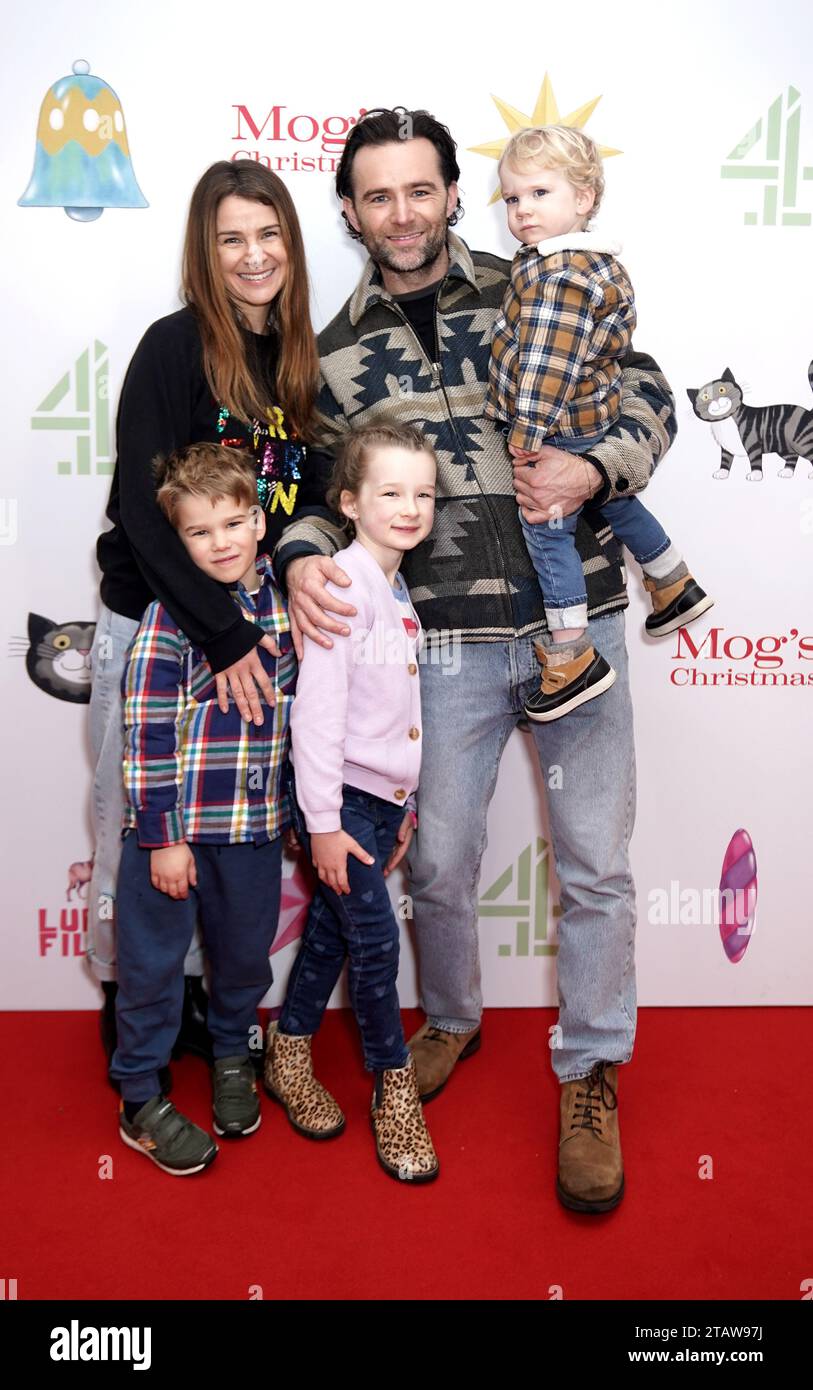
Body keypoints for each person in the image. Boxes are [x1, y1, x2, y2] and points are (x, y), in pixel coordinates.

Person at [273, 107, 680, 1214]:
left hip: (577, 621)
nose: (402, 213)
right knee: (438, 862)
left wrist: (598, 467)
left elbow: (649, 393)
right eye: (377, 195)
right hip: (432, 645)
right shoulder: (329, 346)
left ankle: (590, 1067)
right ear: (350, 209)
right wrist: (307, 558)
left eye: (422, 189)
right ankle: (450, 1016)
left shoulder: (542, 279)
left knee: (594, 860)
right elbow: (315, 495)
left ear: (455, 193)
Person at [89, 160, 332, 1084]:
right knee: (139, 825)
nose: (253, 254)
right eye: (232, 237)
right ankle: (130, 1013)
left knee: (228, 838)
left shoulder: (298, 357)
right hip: (158, 627)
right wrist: (220, 634)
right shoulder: (173, 345)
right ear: (205, 249)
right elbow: (143, 511)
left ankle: (203, 1012)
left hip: (248, 635)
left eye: (268, 234)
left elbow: (296, 508)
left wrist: (265, 622)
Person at [111, 443, 296, 1174]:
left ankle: (229, 1055)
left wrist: (288, 813)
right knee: (153, 968)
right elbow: (147, 729)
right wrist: (161, 836)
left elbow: (296, 719)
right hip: (174, 836)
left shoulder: (284, 609)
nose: (219, 542)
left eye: (232, 523)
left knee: (244, 959)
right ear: (177, 539)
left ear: (258, 522)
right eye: (199, 531)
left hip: (250, 834)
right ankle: (139, 1096)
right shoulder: (169, 617)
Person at [485, 126, 712, 721]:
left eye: (539, 193)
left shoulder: (561, 274)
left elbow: (545, 364)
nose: (522, 210)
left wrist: (525, 432)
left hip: (558, 427)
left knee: (545, 526)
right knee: (616, 502)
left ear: (584, 197)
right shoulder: (577, 262)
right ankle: (671, 579)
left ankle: (570, 654)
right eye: (512, 199)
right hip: (593, 421)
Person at [266, 423, 440, 1183]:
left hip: (377, 803)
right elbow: (318, 717)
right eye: (390, 492)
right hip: (337, 801)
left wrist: (402, 806)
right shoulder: (341, 583)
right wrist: (325, 825)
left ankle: (288, 1049)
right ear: (349, 502)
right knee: (373, 944)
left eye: (423, 493)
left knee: (335, 938)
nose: (409, 507)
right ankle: (393, 1089)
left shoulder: (395, 586)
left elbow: (397, 712)